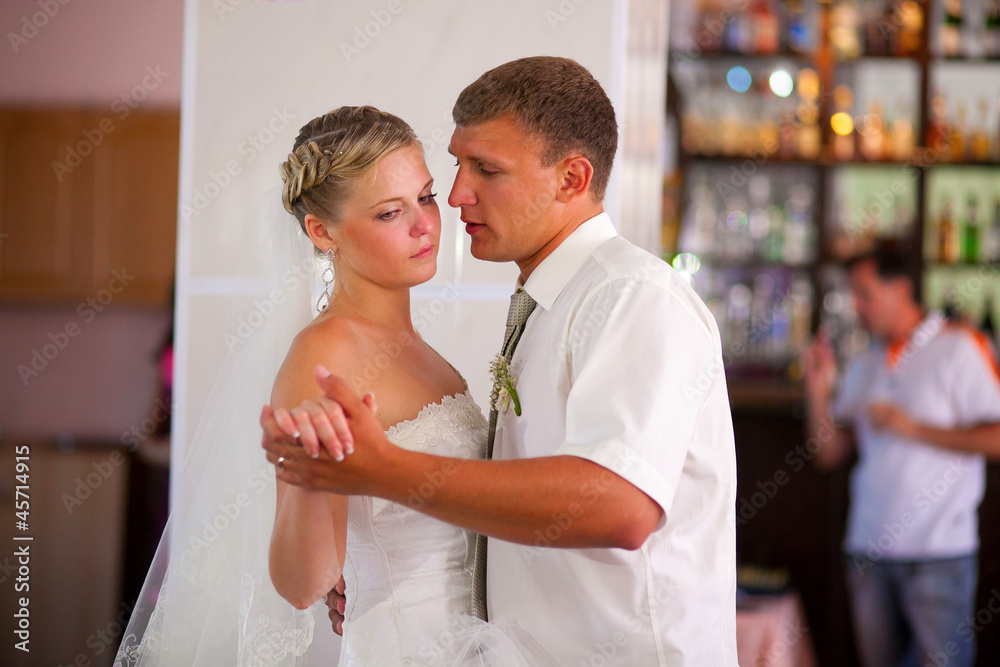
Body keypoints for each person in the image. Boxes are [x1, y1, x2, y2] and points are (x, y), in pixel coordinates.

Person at [261, 56, 738, 665]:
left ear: (571, 178)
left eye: (484, 169)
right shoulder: (546, 305)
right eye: (457, 168)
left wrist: (385, 478)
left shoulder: (627, 297)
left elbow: (619, 504)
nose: (455, 199)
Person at [118, 107, 551, 666]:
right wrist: (310, 477)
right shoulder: (325, 354)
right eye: (391, 212)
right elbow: (301, 584)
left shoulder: (427, 358)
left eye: (425, 197)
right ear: (322, 232)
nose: (425, 225)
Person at [802, 244, 1000, 667]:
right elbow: (828, 453)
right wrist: (818, 392)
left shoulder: (961, 346)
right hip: (868, 551)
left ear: (901, 288)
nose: (856, 306)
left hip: (939, 555)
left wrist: (913, 428)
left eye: (864, 293)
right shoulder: (865, 359)